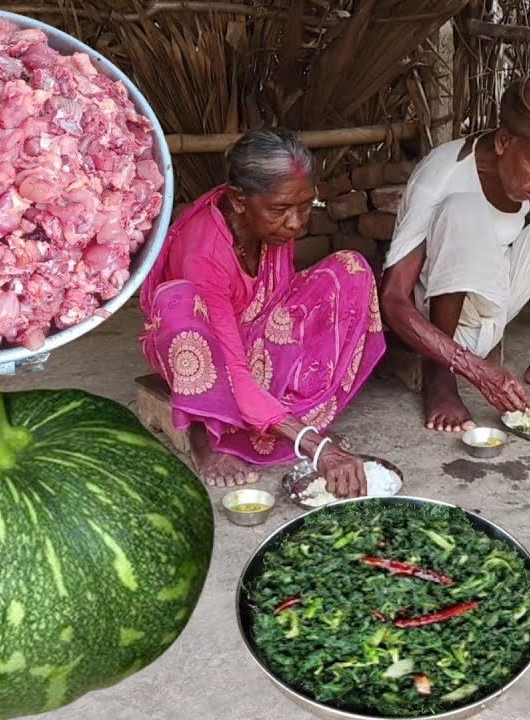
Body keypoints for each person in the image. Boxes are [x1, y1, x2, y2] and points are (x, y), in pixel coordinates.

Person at [140, 128, 385, 497]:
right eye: (282, 209)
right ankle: (206, 434)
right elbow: (232, 367)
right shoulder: (203, 252)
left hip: (250, 337)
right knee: (181, 308)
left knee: (350, 270)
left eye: (304, 206)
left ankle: (279, 419)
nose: (296, 223)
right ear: (239, 200)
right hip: (207, 355)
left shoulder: (268, 226)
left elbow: (278, 299)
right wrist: (315, 446)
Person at [380, 76, 530, 432]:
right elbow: (392, 298)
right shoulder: (442, 174)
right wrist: (469, 366)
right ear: (505, 141)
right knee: (463, 210)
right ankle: (439, 378)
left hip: (495, 299)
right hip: (444, 327)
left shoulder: (525, 171)